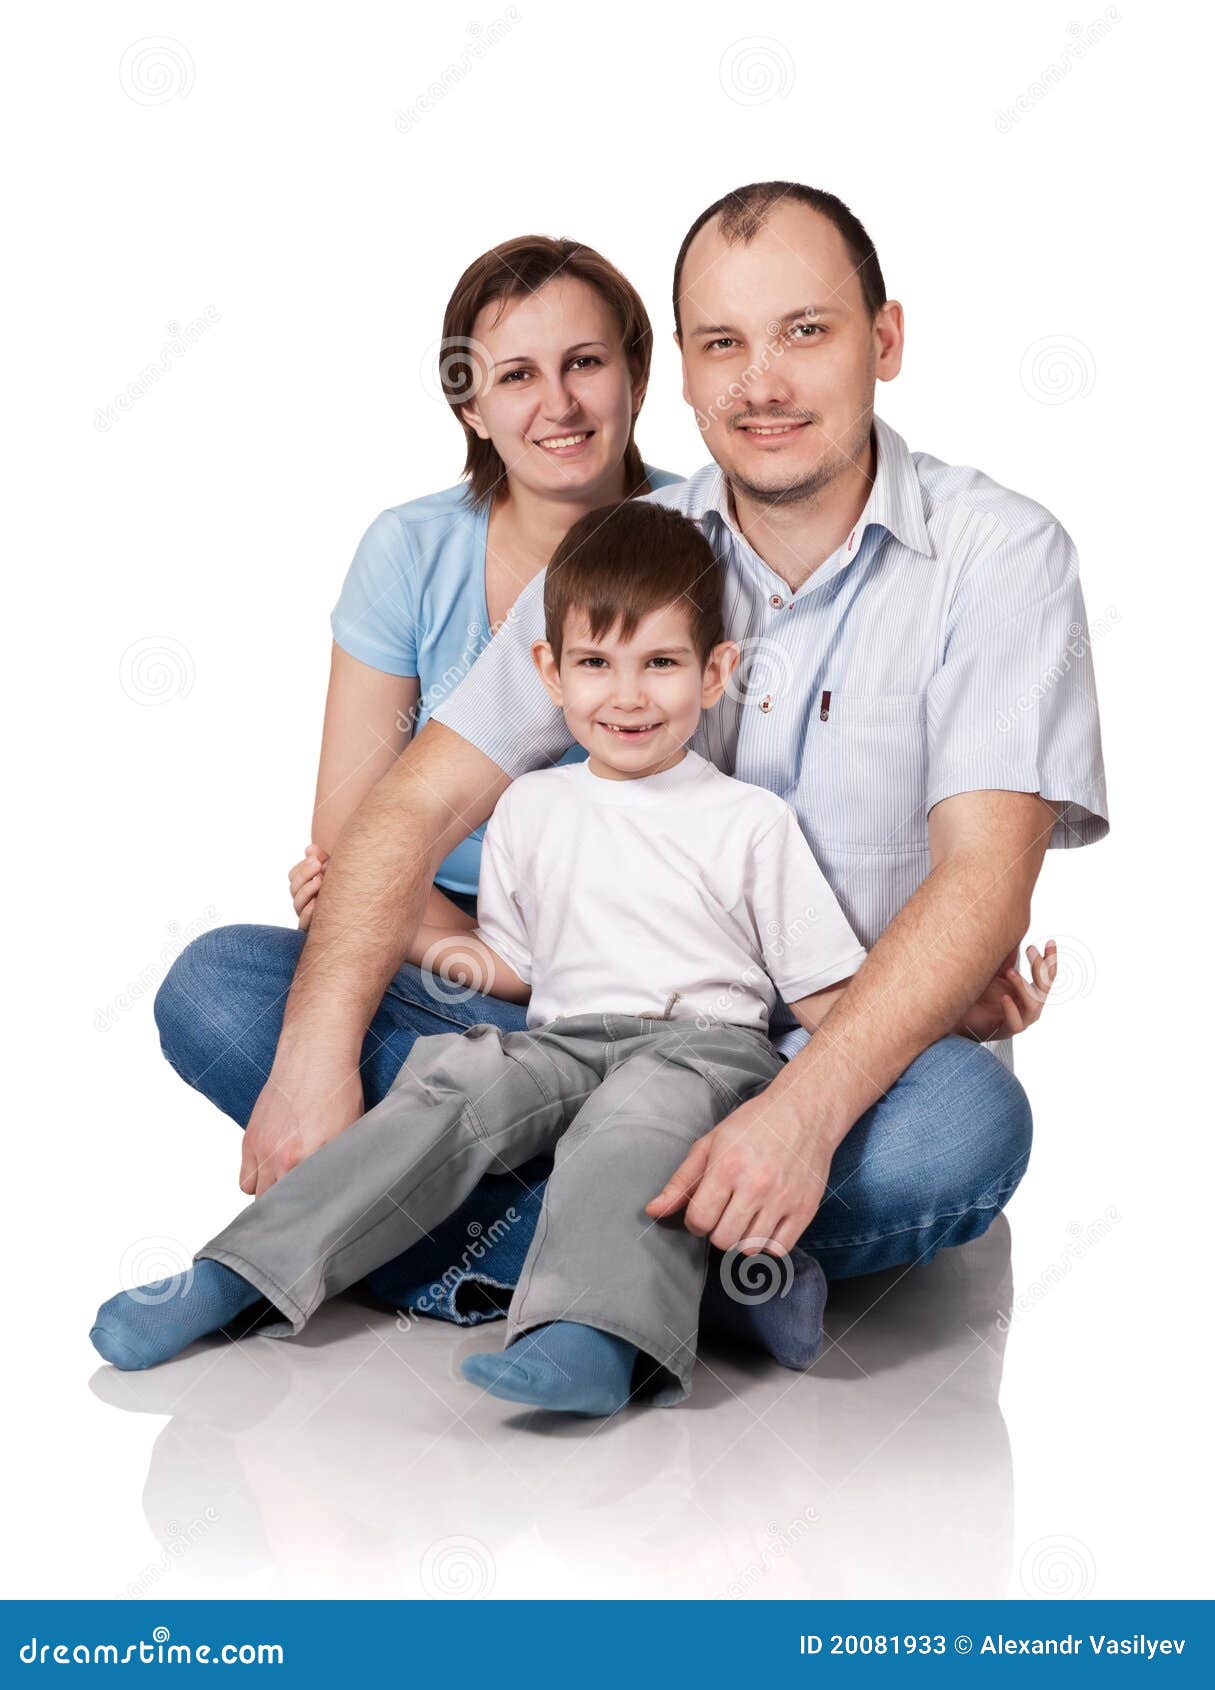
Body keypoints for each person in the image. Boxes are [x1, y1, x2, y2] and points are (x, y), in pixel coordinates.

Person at [155, 179, 1102, 1305]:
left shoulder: (1001, 554)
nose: (762, 383)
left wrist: (798, 1118)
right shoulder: (623, 555)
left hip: (831, 1056)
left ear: (884, 339)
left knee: (966, 1126)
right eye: (724, 343)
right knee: (224, 986)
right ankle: (707, 1277)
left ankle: (430, 1233)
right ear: (687, 375)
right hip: (577, 1036)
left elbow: (987, 883)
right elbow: (409, 808)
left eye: (806, 330)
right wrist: (314, 1058)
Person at [92, 503, 1054, 1415]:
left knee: (634, 1122)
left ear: (715, 673)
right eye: (597, 663)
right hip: (558, 1039)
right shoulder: (530, 808)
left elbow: (821, 997)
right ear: (549, 674)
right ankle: (241, 1273)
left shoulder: (750, 823)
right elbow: (509, 964)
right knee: (448, 1086)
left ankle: (592, 1335)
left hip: (702, 1051)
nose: (627, 695)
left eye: (661, 664)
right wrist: (376, 919)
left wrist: (957, 1013)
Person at [288, 231, 680, 938]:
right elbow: (348, 835)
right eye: (517, 376)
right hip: (441, 918)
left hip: (645, 938)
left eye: (584, 363)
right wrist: (475, 961)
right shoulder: (409, 548)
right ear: (471, 408)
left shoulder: (705, 533)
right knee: (216, 982)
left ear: (637, 377)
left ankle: (516, 1046)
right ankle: (517, 1040)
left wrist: (374, 915)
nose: (559, 405)